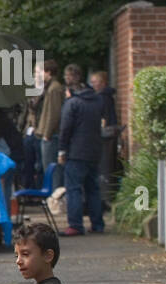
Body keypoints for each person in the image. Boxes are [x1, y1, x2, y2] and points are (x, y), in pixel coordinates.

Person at [56, 64, 104, 236]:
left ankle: (75, 225)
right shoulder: (97, 100)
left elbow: (65, 129)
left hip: (76, 152)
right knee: (93, 189)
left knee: (74, 189)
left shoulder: (72, 103)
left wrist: (62, 150)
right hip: (94, 150)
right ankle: (97, 224)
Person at [92, 70, 120, 207]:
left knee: (104, 168)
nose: (93, 85)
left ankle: (105, 198)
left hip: (105, 135)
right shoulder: (108, 96)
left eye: (95, 82)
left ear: (103, 82)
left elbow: (104, 117)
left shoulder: (102, 97)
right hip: (110, 134)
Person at [34, 60, 64, 184]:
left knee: (51, 170)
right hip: (49, 135)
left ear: (48, 72)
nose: (36, 75)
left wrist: (47, 134)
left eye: (38, 72)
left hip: (51, 136)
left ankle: (55, 198)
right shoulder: (51, 88)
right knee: (49, 169)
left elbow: (54, 113)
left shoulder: (54, 89)